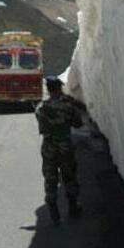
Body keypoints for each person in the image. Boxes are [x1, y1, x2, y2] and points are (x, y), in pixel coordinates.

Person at [35, 76, 87, 225]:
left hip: (48, 146)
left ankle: (53, 211)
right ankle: (73, 207)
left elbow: (41, 125)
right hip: (65, 146)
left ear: (49, 89)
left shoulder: (41, 107)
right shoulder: (68, 106)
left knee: (50, 178)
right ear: (59, 88)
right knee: (69, 176)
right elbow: (78, 124)